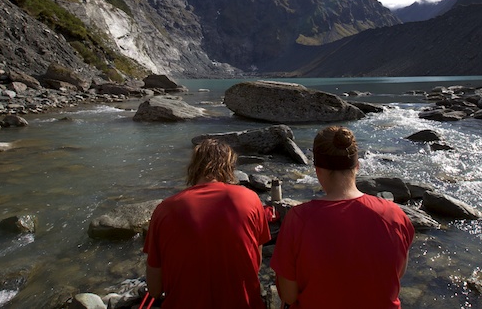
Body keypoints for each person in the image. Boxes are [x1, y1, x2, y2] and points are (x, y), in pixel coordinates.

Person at [270, 126, 415, 308]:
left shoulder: (299, 218)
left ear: (317, 170)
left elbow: (289, 295)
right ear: (357, 166)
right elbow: (397, 274)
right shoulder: (395, 215)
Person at [143, 138, 271, 308]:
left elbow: (154, 290)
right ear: (228, 167)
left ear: (194, 167)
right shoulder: (250, 199)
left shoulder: (165, 209)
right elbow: (255, 263)